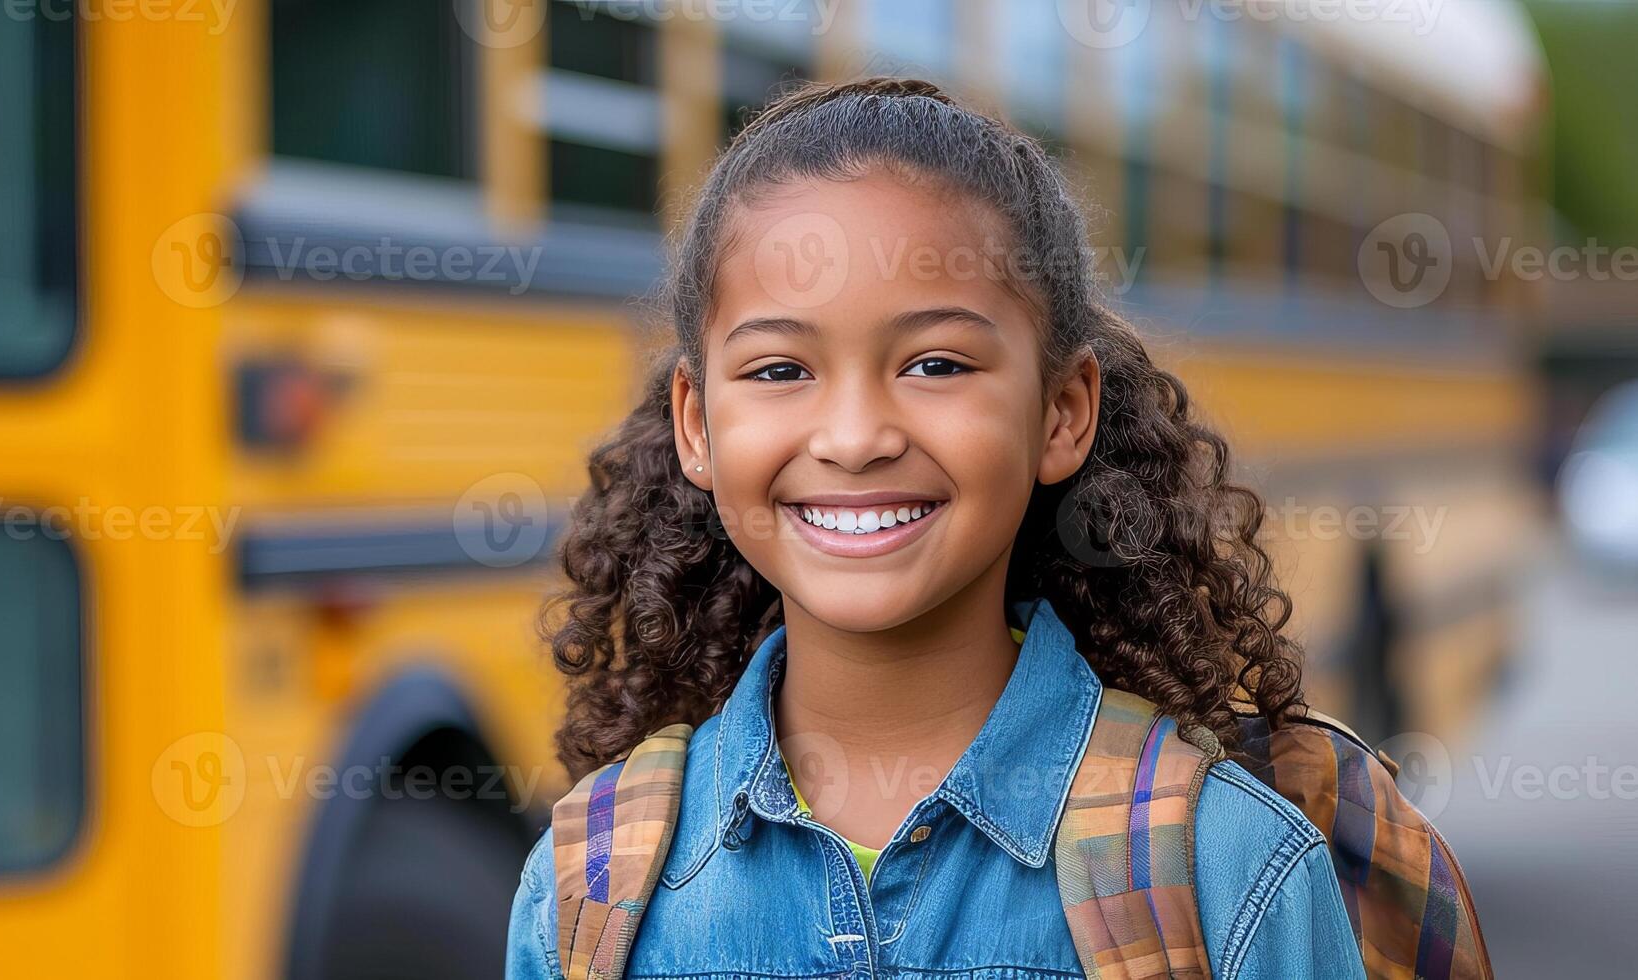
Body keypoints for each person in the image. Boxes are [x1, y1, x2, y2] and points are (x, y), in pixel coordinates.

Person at [505, 77, 1369, 979]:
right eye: (777, 370)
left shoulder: (1223, 869)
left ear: (1062, 413)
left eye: (934, 363)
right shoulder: (588, 887)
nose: (854, 438)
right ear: (696, 425)